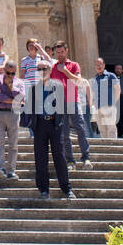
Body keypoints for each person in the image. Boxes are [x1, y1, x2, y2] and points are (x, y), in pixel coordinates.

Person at [23, 59, 75, 200]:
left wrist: (58, 122)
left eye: (44, 68)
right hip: (39, 126)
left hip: (54, 125)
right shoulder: (33, 88)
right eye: (39, 69)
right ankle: (43, 190)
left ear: (50, 70)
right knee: (40, 159)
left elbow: (62, 105)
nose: (42, 71)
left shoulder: (57, 86)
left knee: (60, 157)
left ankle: (66, 189)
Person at [51, 40, 92, 170]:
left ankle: (86, 157)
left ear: (66, 50)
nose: (60, 54)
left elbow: (78, 81)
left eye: (62, 52)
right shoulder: (53, 67)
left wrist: (65, 72)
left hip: (73, 100)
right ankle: (70, 161)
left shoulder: (74, 65)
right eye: (57, 53)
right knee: (64, 133)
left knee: (80, 129)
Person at [0, 59, 25, 179]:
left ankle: (11, 170)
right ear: (4, 70)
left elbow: (20, 98)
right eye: (8, 73)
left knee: (13, 144)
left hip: (13, 114)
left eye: (13, 73)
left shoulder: (19, 82)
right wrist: (14, 100)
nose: (10, 75)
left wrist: (11, 87)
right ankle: (1, 167)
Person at [90, 57, 120, 139]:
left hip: (109, 105)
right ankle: (105, 147)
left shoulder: (111, 75)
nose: (98, 66)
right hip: (98, 107)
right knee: (102, 129)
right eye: (96, 65)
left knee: (111, 128)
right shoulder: (94, 79)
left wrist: (114, 102)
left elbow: (118, 89)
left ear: (104, 65)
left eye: (100, 64)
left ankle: (113, 148)